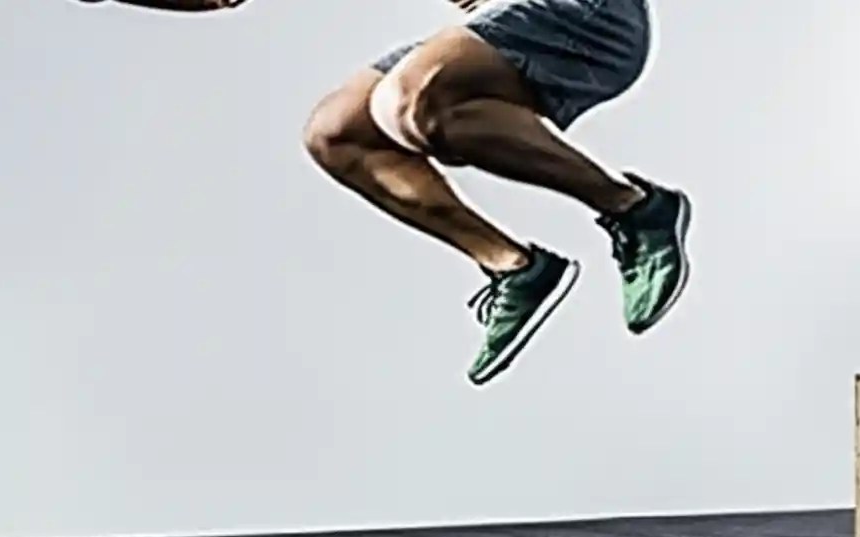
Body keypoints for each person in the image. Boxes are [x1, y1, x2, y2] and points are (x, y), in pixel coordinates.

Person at [93, 0, 693, 385]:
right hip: (503, 25)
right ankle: (516, 267)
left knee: (408, 103)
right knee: (339, 132)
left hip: (584, 12)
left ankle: (636, 210)